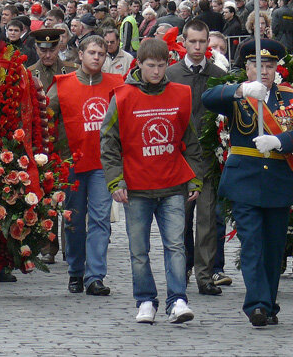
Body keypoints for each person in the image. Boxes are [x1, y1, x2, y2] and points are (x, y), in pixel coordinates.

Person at [202, 39, 293, 328]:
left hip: (277, 180)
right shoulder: (238, 94)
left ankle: (269, 302)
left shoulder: (289, 97)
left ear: (276, 69)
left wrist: (279, 140)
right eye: (256, 65)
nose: (263, 71)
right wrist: (241, 90)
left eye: (269, 66)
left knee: (274, 248)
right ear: (247, 67)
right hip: (244, 181)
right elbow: (208, 98)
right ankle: (258, 305)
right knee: (252, 244)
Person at [100, 38, 202, 325]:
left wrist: (195, 179)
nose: (156, 72)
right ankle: (145, 299)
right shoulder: (121, 97)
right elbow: (109, 143)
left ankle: (178, 299)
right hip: (137, 187)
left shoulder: (181, 94)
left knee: (175, 245)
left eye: (161, 66)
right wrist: (115, 181)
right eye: (150, 66)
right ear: (139, 65)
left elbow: (191, 142)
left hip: (172, 184)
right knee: (139, 250)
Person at [47, 35, 123, 295]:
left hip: (104, 164)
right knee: (74, 220)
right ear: (80, 54)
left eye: (101, 54)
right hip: (72, 163)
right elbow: (45, 119)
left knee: (101, 219)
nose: (96, 58)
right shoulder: (61, 85)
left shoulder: (116, 85)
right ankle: (76, 270)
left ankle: (95, 276)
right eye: (91, 53)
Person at [165, 20, 229, 295]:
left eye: (203, 42)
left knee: (206, 219)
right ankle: (181, 272)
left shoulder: (217, 74)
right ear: (184, 41)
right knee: (179, 220)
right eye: (193, 41)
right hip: (178, 158)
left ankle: (205, 275)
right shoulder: (170, 74)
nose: (198, 47)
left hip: (206, 158)